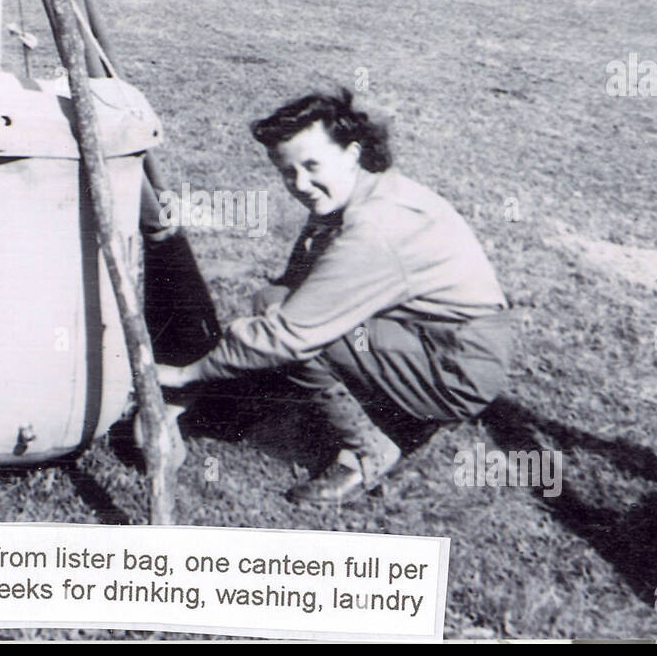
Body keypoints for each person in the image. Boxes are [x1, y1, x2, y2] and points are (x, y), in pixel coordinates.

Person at [156, 89, 516, 506]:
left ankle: (369, 450)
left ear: (352, 152)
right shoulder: (353, 196)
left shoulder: (374, 227)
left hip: (457, 364)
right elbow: (292, 286)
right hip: (430, 336)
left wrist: (189, 375)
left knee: (306, 337)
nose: (301, 185)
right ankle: (397, 407)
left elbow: (292, 333)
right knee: (275, 301)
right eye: (288, 172)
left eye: (312, 166)